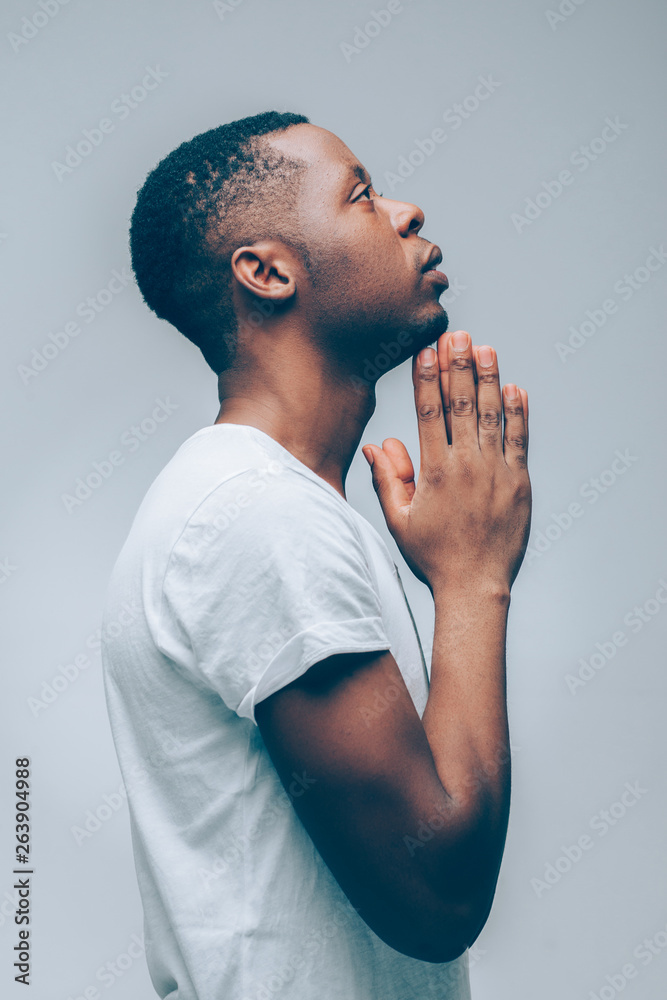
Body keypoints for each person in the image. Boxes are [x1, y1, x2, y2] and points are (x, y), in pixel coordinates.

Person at [101, 109, 532, 1000]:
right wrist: (473, 580)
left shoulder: (278, 507)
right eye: (363, 195)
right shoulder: (255, 517)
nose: (406, 211)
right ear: (265, 271)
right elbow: (436, 893)